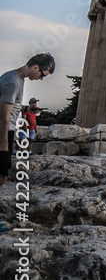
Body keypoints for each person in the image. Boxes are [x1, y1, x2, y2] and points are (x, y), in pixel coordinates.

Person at [0, 53, 55, 233]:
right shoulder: (13, 81)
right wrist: (4, 144)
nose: (41, 79)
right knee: (1, 175)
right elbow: (3, 116)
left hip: (6, 130)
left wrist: (27, 108)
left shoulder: (16, 79)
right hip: (3, 132)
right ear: (35, 67)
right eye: (43, 74)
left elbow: (11, 105)